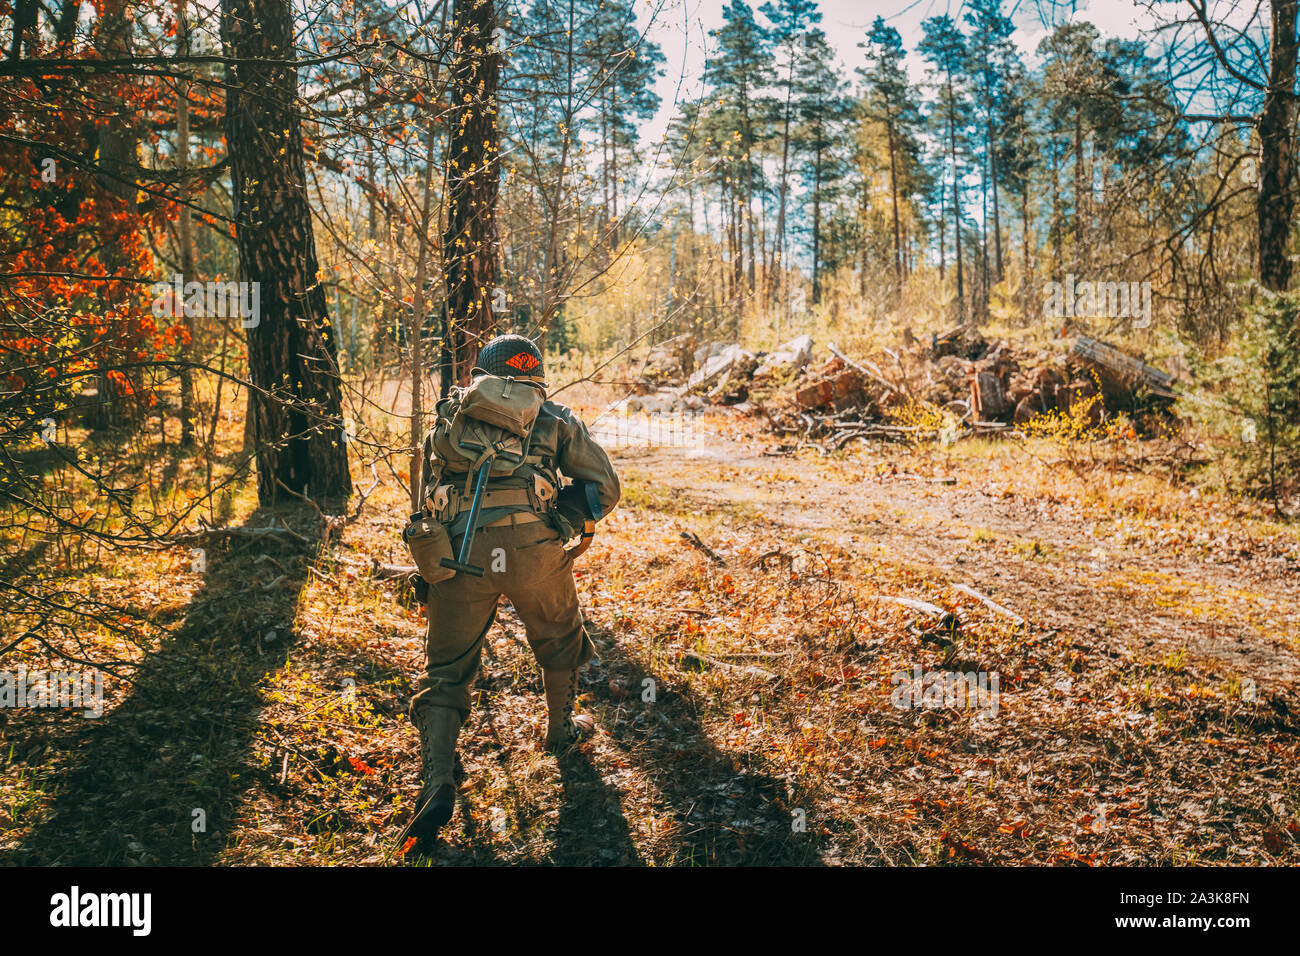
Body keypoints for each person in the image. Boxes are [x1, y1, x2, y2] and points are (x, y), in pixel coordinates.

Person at [402, 333, 620, 851]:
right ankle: (559, 731)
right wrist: (562, 519)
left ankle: (437, 780)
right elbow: (605, 488)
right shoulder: (556, 417)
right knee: (559, 635)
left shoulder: (452, 415)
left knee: (448, 669)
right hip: (534, 551)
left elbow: (429, 490)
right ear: (536, 375)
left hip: (459, 554)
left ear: (484, 374)